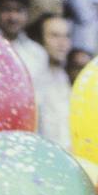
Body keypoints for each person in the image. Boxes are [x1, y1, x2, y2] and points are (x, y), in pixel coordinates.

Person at [29, 11, 72, 149]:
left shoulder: (65, 77)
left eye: (66, 36)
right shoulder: (32, 80)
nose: (62, 43)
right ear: (40, 40)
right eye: (54, 36)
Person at [0, 0, 48, 83]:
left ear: (28, 14)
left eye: (19, 10)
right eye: (6, 9)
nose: (13, 17)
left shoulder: (37, 53)